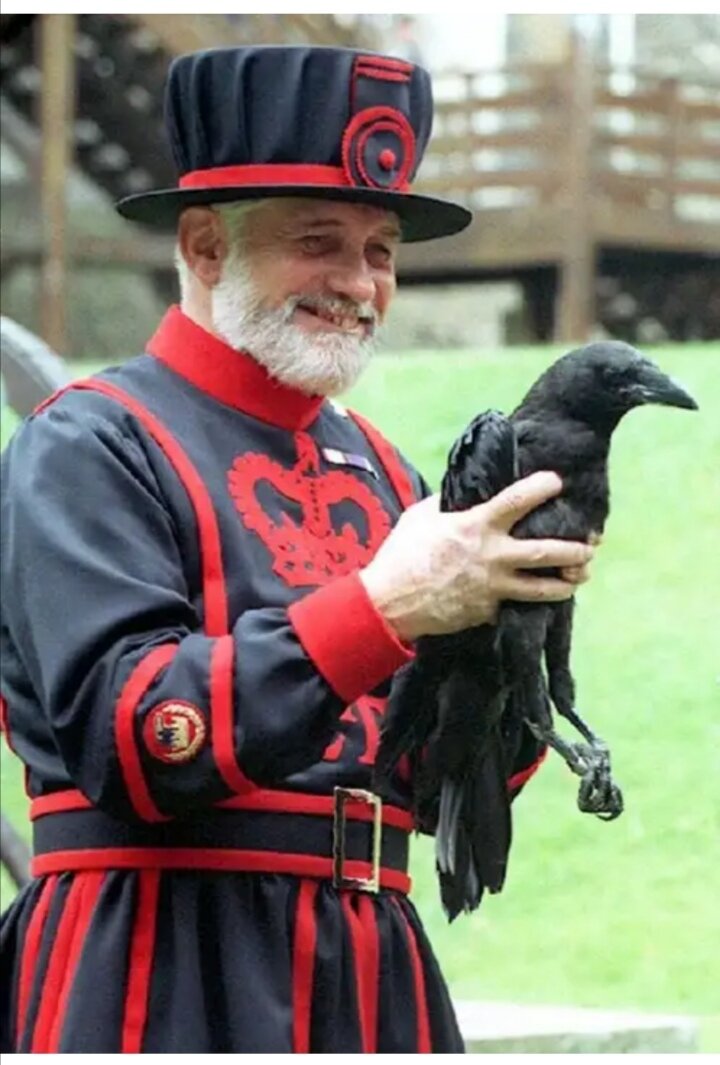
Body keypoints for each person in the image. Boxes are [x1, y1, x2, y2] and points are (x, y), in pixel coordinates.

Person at [0, 45, 594, 1053]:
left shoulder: (392, 474)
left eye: (382, 250)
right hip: (153, 969)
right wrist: (389, 611)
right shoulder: (85, 443)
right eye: (320, 241)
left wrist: (519, 644)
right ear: (203, 247)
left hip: (374, 975)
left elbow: (446, 786)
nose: (359, 283)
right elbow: (139, 741)